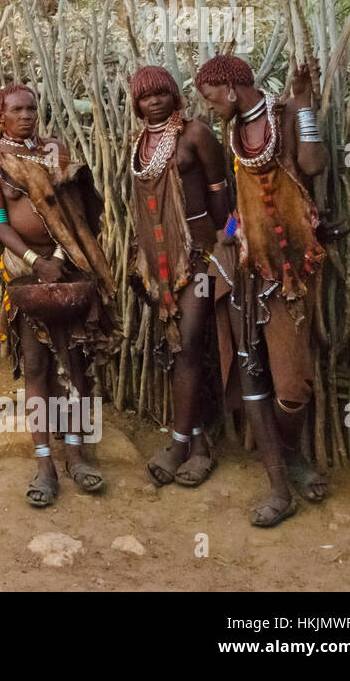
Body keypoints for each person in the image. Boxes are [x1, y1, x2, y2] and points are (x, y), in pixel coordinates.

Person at [196, 55, 330, 527]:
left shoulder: (285, 113)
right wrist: (227, 232)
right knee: (252, 375)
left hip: (289, 270)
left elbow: (313, 165)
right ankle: (278, 486)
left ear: (230, 88)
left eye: (210, 96)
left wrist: (306, 102)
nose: (209, 106)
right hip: (245, 270)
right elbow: (240, 199)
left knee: (292, 387)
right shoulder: (234, 133)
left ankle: (292, 455)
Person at [0, 82, 117, 507]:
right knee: (37, 368)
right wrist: (38, 264)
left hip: (69, 264)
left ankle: (76, 455)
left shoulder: (55, 152)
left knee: (75, 363)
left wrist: (64, 255)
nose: (26, 115)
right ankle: (45, 464)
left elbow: (80, 210)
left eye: (31, 108)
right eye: (16, 109)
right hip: (25, 271)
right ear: (0, 115)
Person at [128, 66, 230, 487]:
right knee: (177, 347)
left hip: (199, 255)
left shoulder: (196, 133)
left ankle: (176, 443)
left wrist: (227, 246)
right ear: (136, 103)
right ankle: (200, 446)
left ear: (174, 94)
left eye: (161, 93)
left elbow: (223, 197)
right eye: (145, 96)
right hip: (160, 260)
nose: (154, 101)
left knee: (188, 342)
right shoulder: (139, 143)